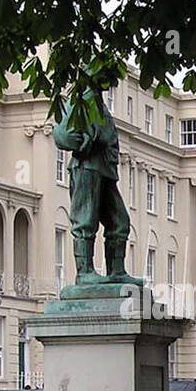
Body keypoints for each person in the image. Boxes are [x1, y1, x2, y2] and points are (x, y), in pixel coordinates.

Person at [52, 88, 140, 287]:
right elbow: (62, 134)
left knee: (120, 222)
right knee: (85, 221)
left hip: (104, 170)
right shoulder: (82, 98)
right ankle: (84, 273)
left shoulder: (97, 102)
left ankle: (116, 271)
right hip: (87, 168)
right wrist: (81, 142)